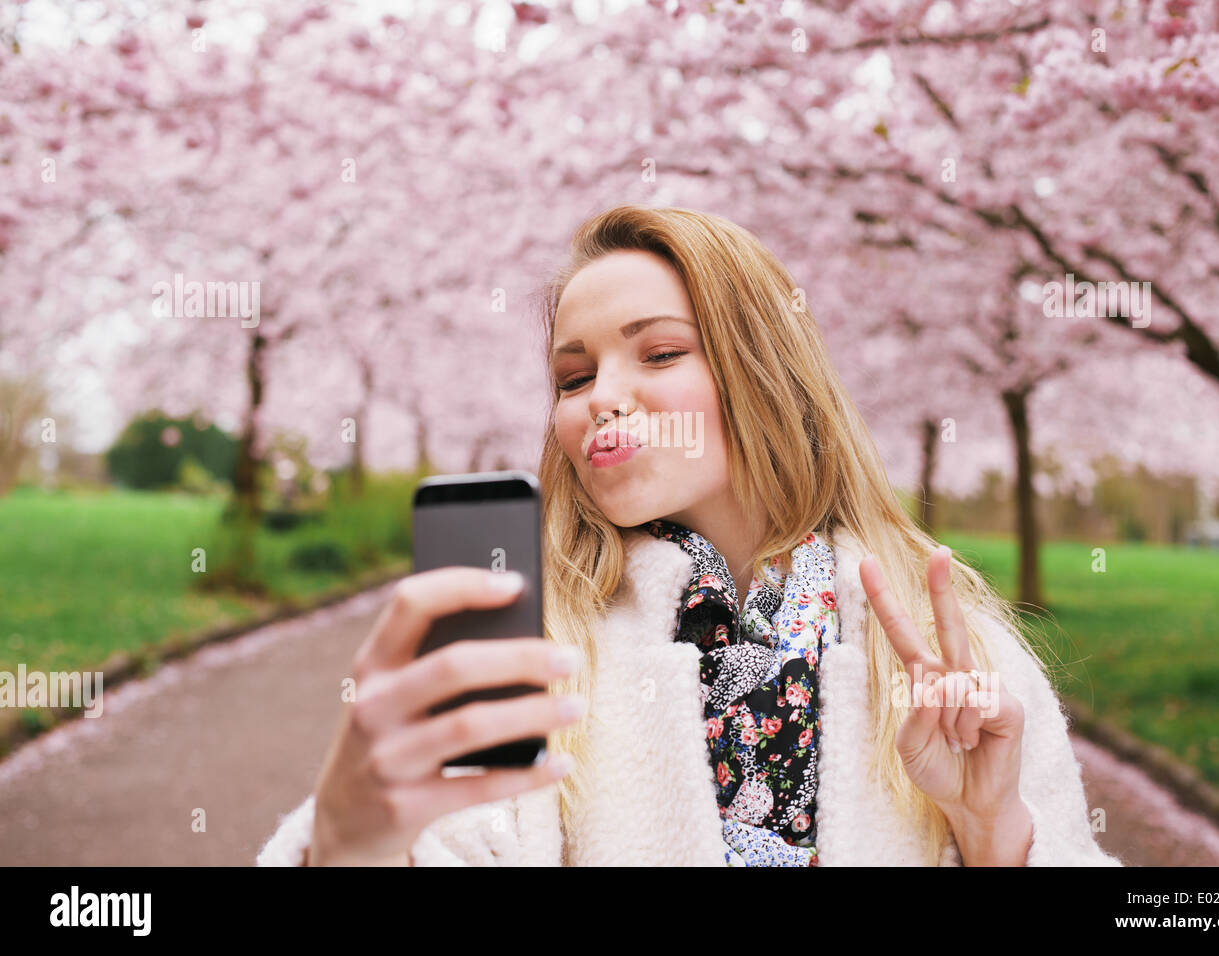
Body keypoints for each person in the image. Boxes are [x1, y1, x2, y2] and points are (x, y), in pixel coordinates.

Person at [257, 204, 1122, 867]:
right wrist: (345, 839)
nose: (601, 396)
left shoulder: (950, 654)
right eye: (574, 374)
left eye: (660, 353)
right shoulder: (537, 652)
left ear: (765, 372)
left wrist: (992, 833)